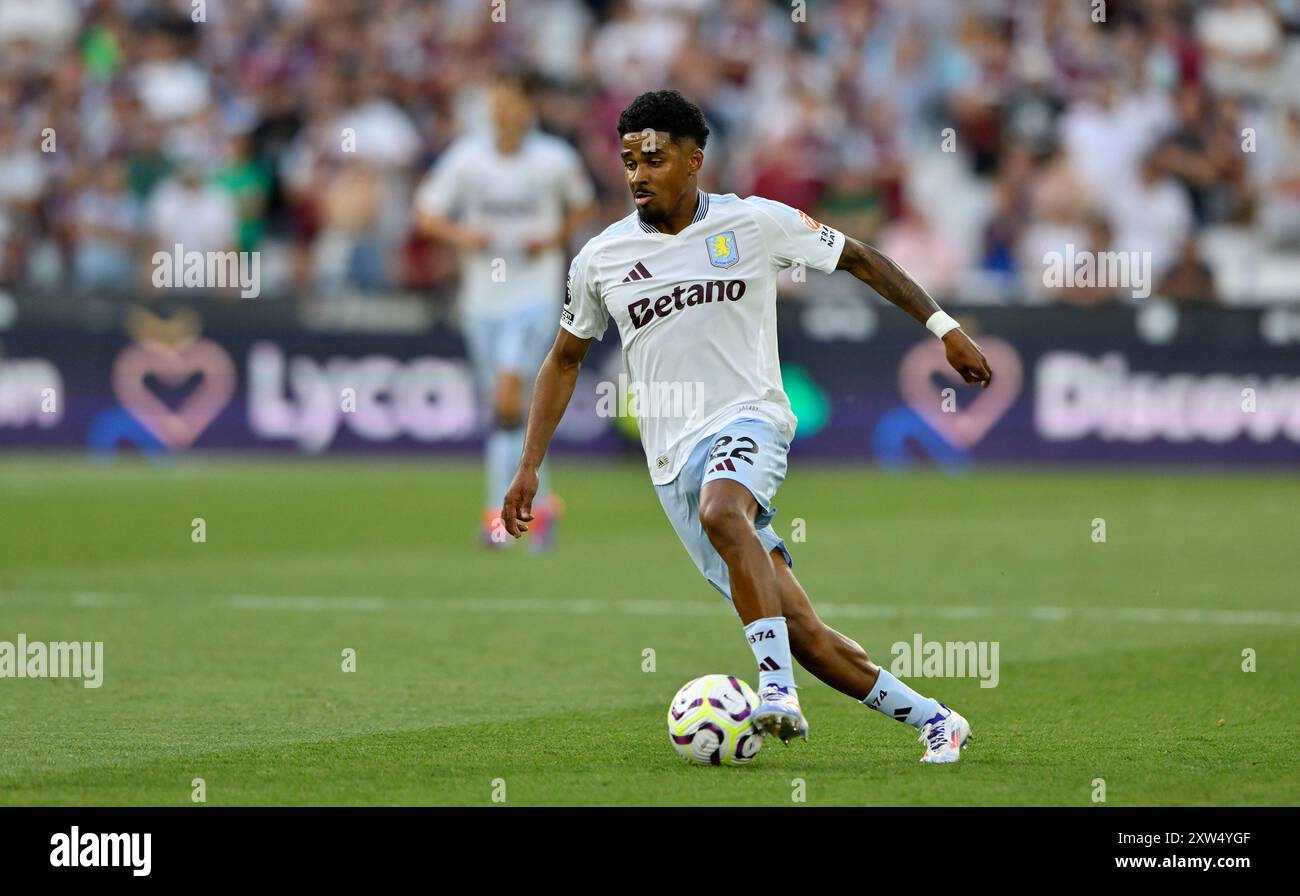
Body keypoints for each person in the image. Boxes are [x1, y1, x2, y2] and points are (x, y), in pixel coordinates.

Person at [501, 90, 992, 762]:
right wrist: (528, 463)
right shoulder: (600, 259)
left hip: (750, 420)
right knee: (802, 630)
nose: (638, 173)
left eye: (654, 157)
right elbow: (562, 360)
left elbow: (859, 257)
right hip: (670, 460)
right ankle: (937, 720)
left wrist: (946, 328)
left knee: (724, 508)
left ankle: (775, 692)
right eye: (627, 161)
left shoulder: (755, 223)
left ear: (695, 159)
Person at [416, 74, 595, 548]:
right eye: (495, 104)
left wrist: (554, 238)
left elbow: (582, 206)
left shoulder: (554, 158)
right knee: (508, 415)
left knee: (508, 398)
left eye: (511, 103)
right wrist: (463, 238)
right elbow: (427, 213)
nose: (503, 113)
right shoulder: (466, 158)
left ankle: (499, 519)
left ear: (527, 108)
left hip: (534, 295)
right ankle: (540, 510)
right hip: (481, 301)